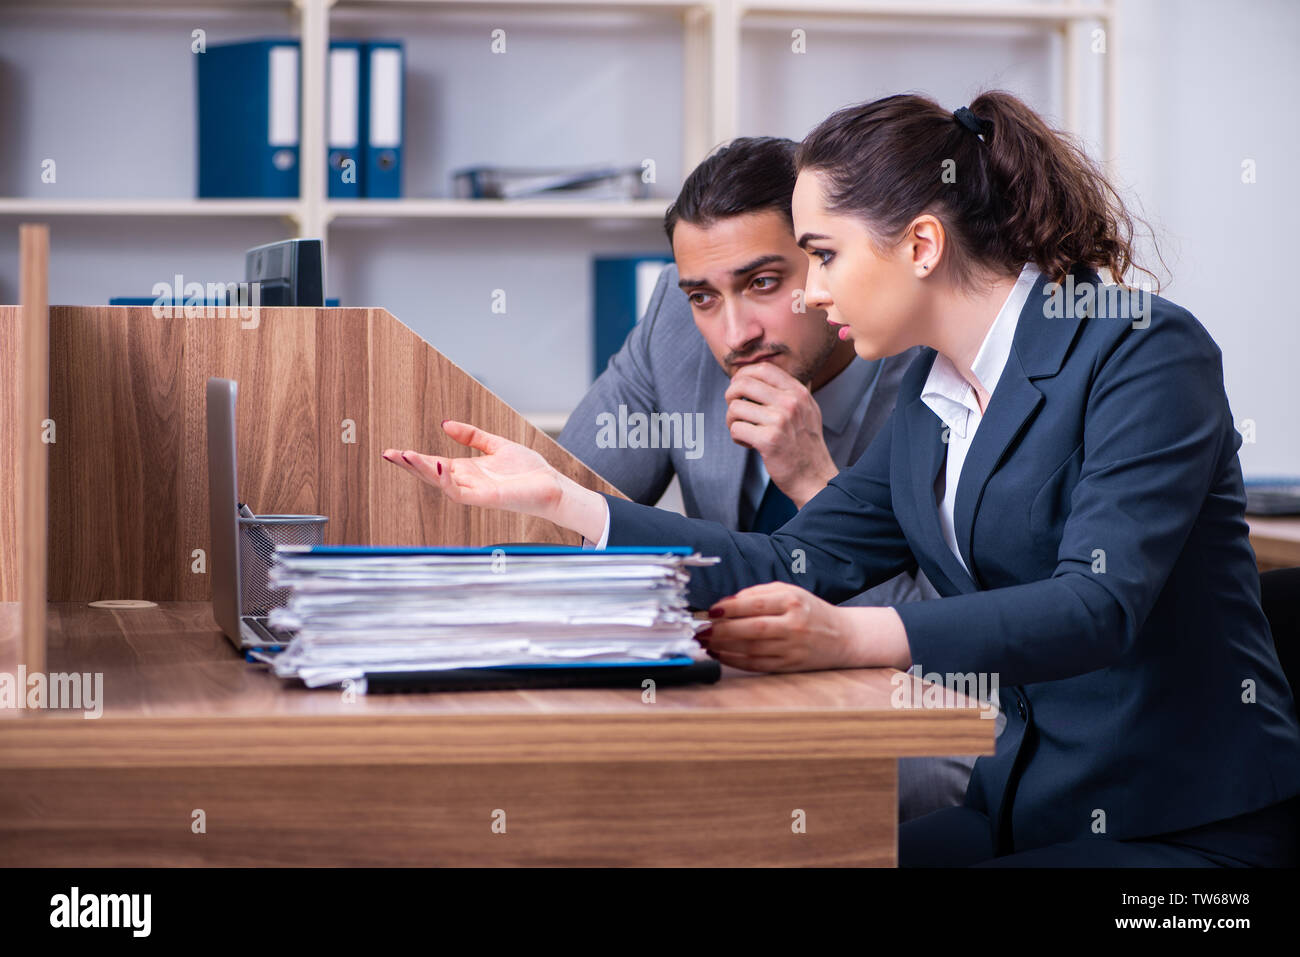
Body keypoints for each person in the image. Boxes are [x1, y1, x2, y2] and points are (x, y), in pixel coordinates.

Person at [383, 90, 1300, 866]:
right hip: (1024, 801)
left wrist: (851, 633)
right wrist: (566, 500)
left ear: (922, 246)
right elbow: (791, 558)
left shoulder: (1139, 348)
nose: (813, 294)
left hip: (1185, 834)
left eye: (822, 255)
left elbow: (1096, 607)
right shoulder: (938, 393)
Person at [558, 137, 972, 823]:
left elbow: (952, 641)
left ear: (824, 259)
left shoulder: (929, 360)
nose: (733, 334)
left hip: (908, 712)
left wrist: (815, 479)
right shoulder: (675, 317)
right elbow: (572, 506)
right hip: (737, 687)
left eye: (763, 283)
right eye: (703, 296)